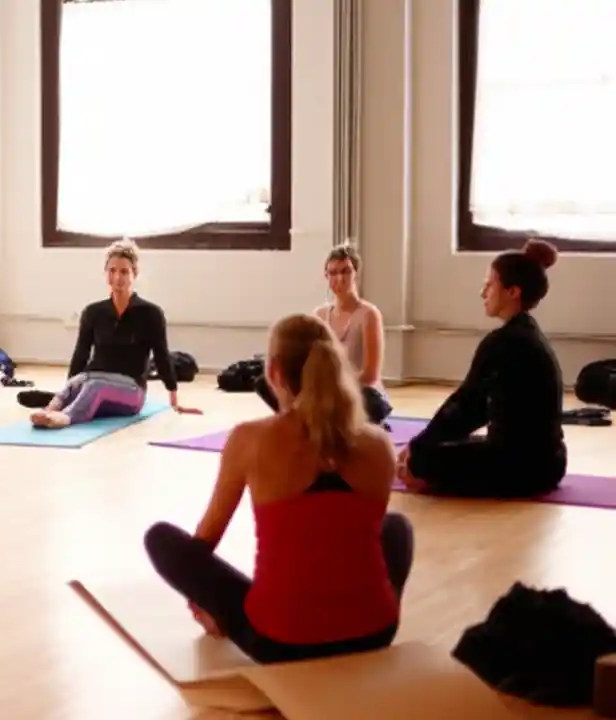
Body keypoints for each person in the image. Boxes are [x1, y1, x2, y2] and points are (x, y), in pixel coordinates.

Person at [144, 313, 413, 664]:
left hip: (282, 643)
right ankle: (363, 615)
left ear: (272, 371)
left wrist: (210, 603)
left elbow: (205, 542)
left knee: (161, 539)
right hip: (375, 634)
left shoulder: (249, 439)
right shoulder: (379, 445)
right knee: (396, 528)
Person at [398, 239, 566, 498]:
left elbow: (467, 406)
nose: (482, 292)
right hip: (551, 462)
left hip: (522, 468)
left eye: (489, 285)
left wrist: (419, 446)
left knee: (422, 460)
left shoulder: (504, 341)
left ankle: (426, 476)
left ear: (513, 292)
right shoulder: (529, 334)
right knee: (447, 446)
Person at [30, 239, 197, 429]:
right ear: (106, 273)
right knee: (80, 380)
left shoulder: (151, 314)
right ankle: (49, 410)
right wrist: (71, 386)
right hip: (94, 378)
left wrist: (173, 396)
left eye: (124, 271)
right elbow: (81, 354)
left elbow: (161, 356)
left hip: (131, 391)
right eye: (112, 271)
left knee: (95, 386)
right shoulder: (93, 312)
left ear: (135, 273)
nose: (118, 277)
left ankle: (67, 417)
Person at [255, 245, 391, 425]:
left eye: (346, 271)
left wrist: (335, 386)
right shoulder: (320, 315)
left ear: (355, 273)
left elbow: (370, 374)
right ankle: (295, 422)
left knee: (367, 400)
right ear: (326, 276)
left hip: (359, 390)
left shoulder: (369, 314)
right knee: (265, 382)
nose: (340, 278)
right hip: (325, 389)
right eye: (333, 273)